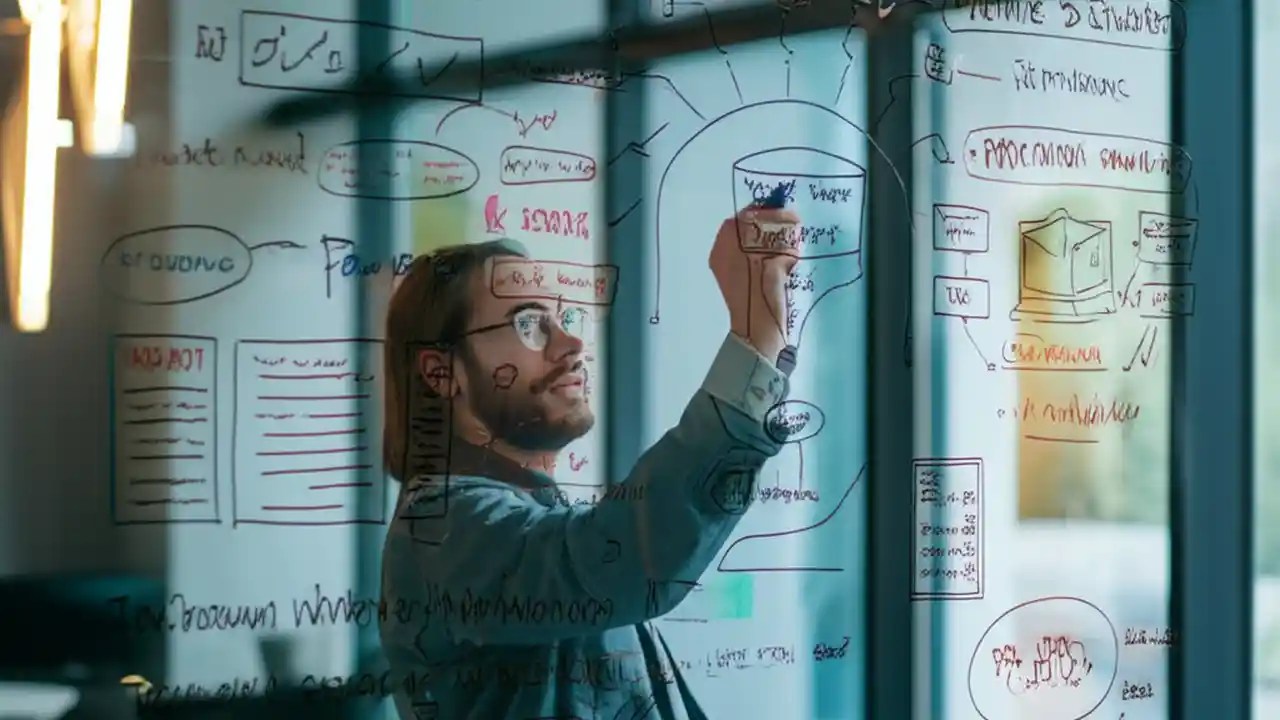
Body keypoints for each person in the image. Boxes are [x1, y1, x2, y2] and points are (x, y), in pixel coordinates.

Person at [380, 205, 799, 719]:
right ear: (441, 373)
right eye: (528, 324)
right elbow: (631, 557)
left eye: (563, 319)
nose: (572, 343)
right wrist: (755, 342)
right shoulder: (443, 529)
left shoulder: (522, 517)